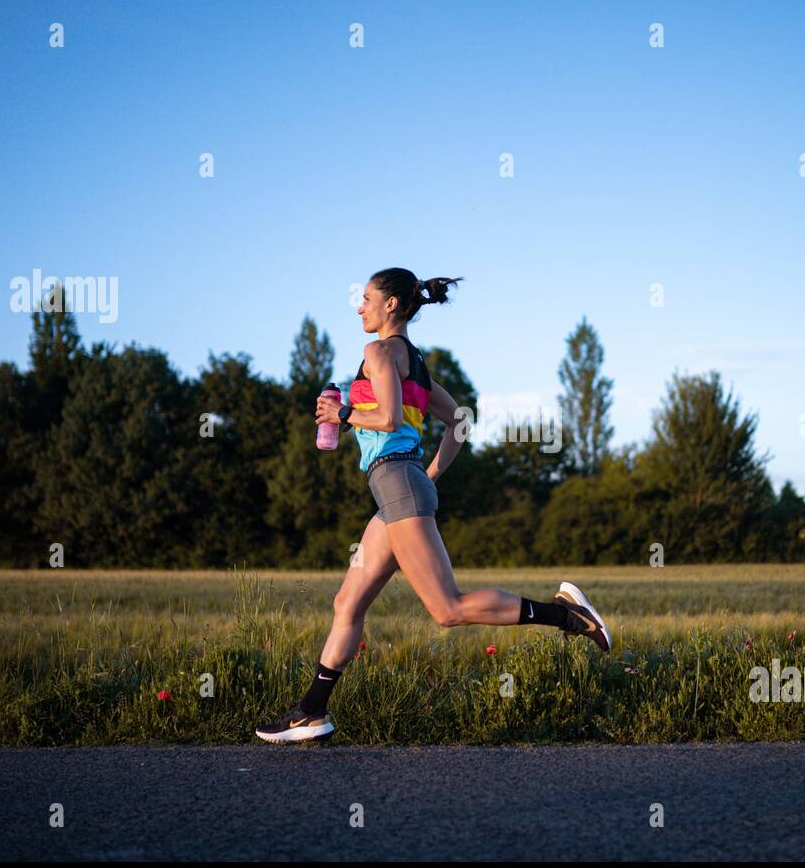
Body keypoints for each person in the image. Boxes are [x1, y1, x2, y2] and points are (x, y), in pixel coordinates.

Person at [256, 268, 611, 743]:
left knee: (447, 608)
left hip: (398, 484)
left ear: (392, 306)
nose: (358, 307)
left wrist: (343, 414)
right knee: (348, 602)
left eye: (365, 298)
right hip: (398, 487)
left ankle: (569, 615)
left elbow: (384, 417)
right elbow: (460, 420)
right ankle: (311, 713)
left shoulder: (379, 352)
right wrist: (430, 473)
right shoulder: (413, 363)